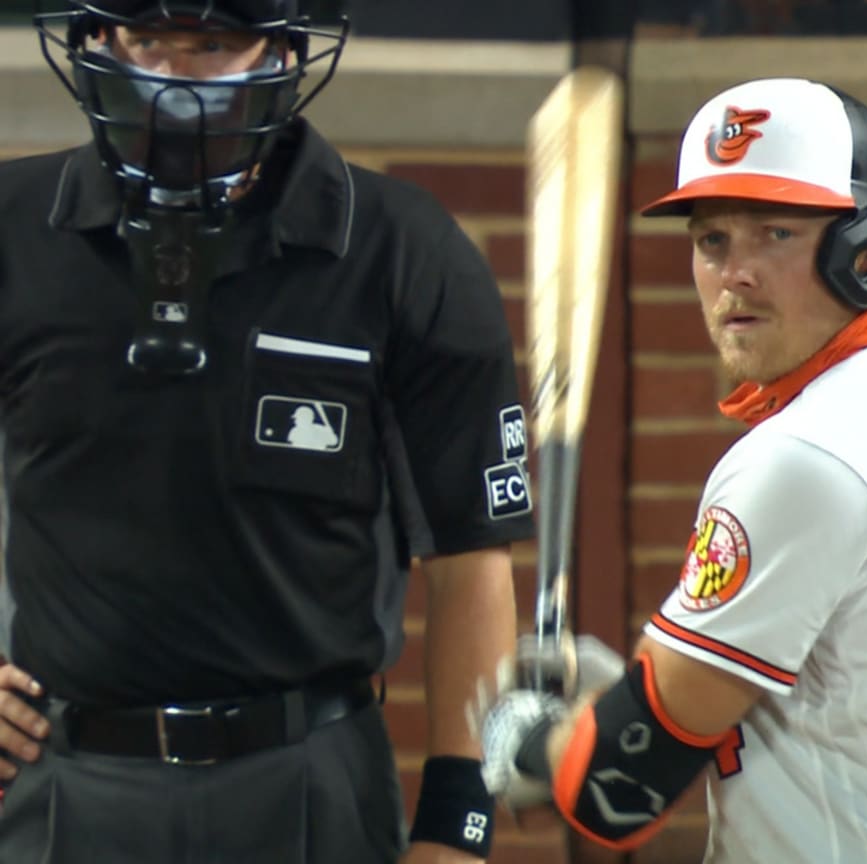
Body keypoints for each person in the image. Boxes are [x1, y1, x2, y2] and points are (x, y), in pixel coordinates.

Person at [474, 77, 867, 862]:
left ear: (866, 242)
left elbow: (616, 788)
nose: (735, 273)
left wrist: (534, 744)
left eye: (776, 233)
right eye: (712, 239)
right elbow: (840, 690)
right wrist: (630, 694)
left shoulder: (806, 456)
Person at [0, 2, 531, 862]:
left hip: (308, 776)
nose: (174, 81)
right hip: (62, 781)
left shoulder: (398, 248)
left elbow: (470, 561)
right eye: (148, 42)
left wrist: (456, 824)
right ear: (97, 41)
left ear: (283, 50)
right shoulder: (14, 229)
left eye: (211, 45)